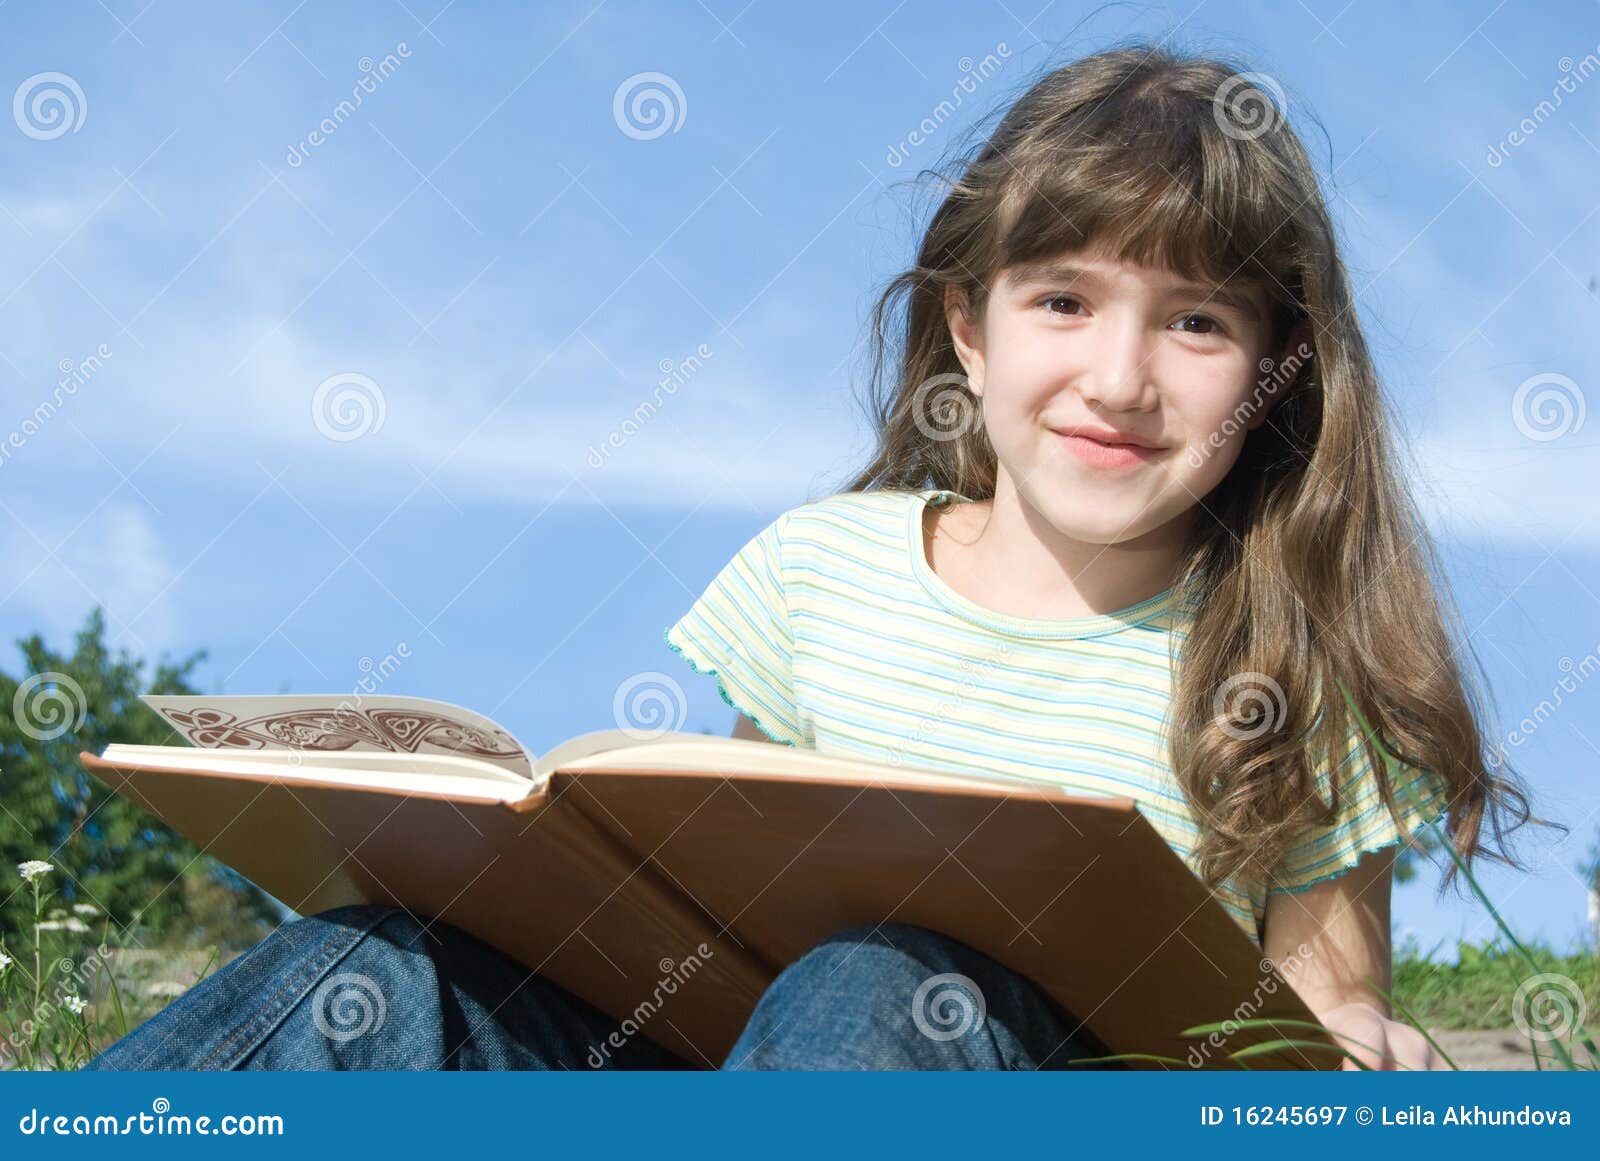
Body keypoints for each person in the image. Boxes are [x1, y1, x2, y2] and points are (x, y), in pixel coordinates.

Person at [89, 40, 1535, 1072]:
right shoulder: (818, 573)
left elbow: (1312, 1024)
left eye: (1198, 323)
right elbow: (720, 896)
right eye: (1063, 302)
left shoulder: (1287, 660)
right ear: (970, 329)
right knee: (373, 970)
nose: (1118, 378)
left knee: (879, 983)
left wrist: (1358, 1042)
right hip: (735, 1065)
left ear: (1277, 371)